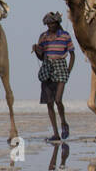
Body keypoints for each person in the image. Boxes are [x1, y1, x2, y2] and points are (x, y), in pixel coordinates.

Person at [32, 11, 75, 141]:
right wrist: (36, 50)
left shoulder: (65, 36)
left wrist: (68, 70)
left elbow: (72, 54)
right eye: (48, 24)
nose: (50, 26)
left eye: (53, 23)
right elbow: (41, 56)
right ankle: (56, 133)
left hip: (61, 66)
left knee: (58, 100)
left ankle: (63, 122)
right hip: (47, 67)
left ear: (57, 23)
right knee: (49, 102)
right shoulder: (43, 37)